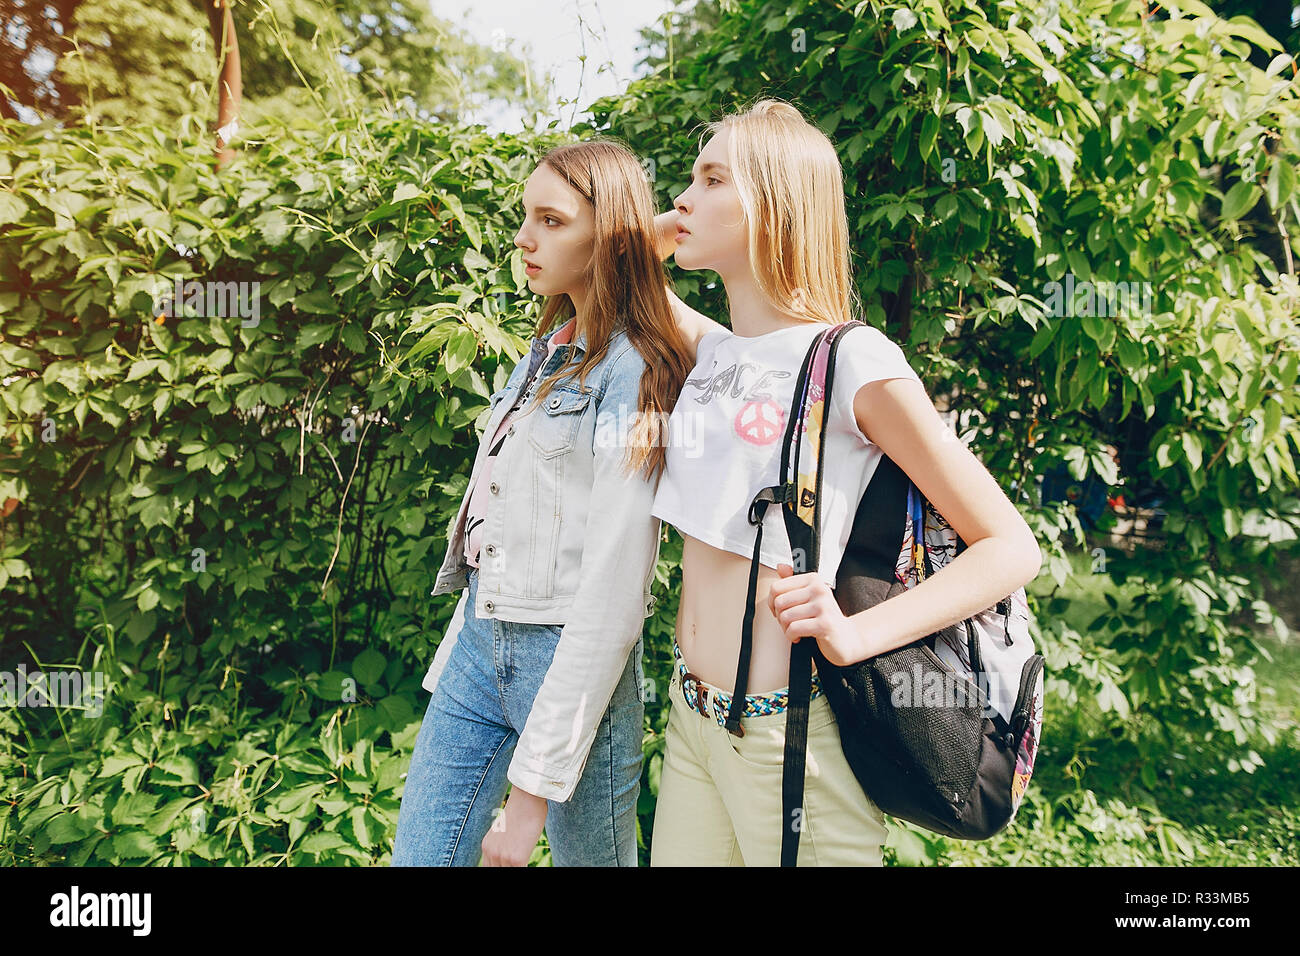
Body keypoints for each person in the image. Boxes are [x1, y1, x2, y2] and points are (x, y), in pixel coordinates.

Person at [646, 99, 1043, 866]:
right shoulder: (716, 352)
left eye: (711, 178)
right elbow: (608, 272)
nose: (683, 199)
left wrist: (857, 633)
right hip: (691, 723)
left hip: (791, 733)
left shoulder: (852, 360)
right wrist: (658, 232)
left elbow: (1009, 546)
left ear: (778, 207)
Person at [391, 139, 697, 867]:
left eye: (552, 221)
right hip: (477, 637)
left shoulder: (638, 372)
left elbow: (617, 589)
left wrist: (526, 803)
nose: (524, 238)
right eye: (527, 216)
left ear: (609, 237)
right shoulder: (548, 350)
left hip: (569, 656)